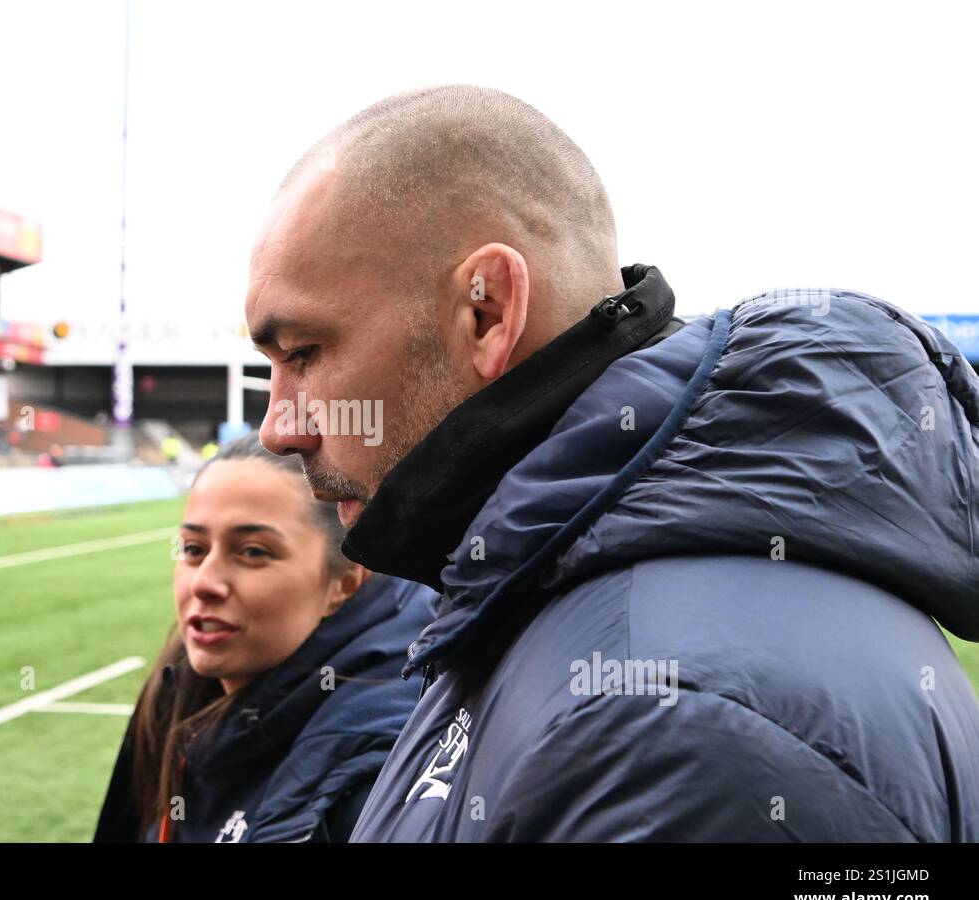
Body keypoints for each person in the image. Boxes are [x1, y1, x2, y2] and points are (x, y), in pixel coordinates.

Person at [244, 85, 979, 841]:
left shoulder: (663, 724)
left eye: (302, 353)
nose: (277, 426)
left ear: (486, 311)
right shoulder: (546, 579)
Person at [92, 432, 434, 843]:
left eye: (253, 551)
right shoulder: (176, 691)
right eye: (193, 548)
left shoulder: (371, 777)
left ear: (343, 584)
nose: (205, 583)